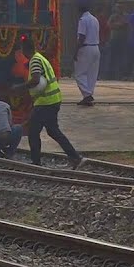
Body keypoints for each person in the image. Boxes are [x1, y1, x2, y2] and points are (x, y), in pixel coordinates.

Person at [21, 36, 85, 168]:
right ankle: (75, 157)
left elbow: (36, 80)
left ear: (24, 50)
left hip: (45, 102)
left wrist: (21, 87)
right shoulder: (40, 57)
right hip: (53, 100)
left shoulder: (35, 61)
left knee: (33, 131)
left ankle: (36, 162)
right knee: (53, 131)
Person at [74, 0, 100, 106]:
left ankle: (87, 94)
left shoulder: (83, 20)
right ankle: (87, 96)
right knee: (92, 75)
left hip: (85, 48)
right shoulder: (94, 19)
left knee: (79, 74)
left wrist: (75, 51)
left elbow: (82, 37)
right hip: (96, 47)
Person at [106, 5, 128, 80]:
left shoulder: (125, 15)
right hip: (114, 39)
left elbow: (125, 24)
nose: (119, 9)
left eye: (120, 7)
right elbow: (109, 25)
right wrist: (117, 25)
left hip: (122, 40)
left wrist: (118, 25)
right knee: (112, 57)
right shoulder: (113, 16)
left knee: (121, 57)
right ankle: (110, 75)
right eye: (117, 8)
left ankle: (121, 75)